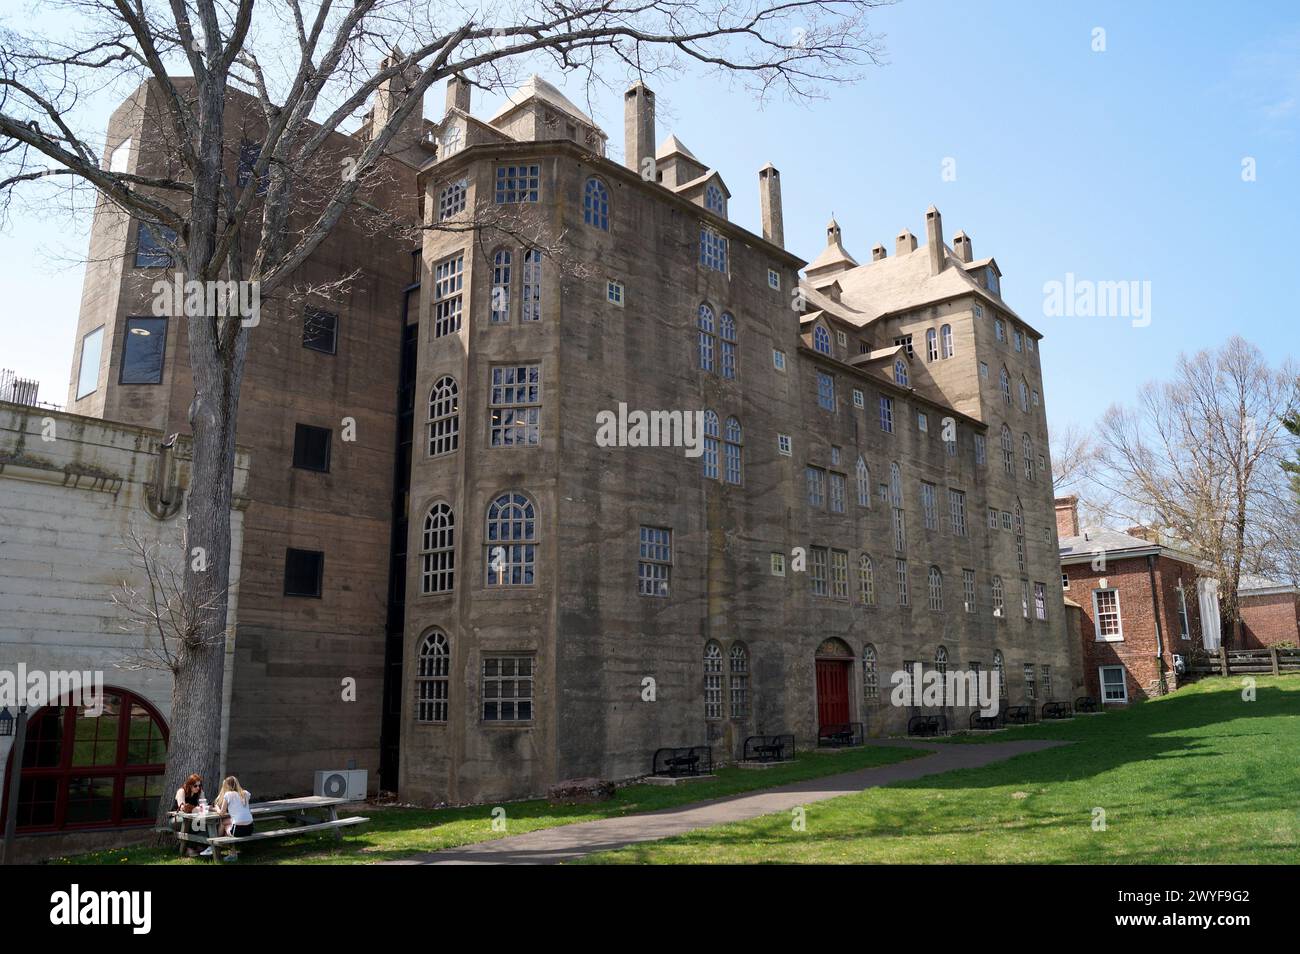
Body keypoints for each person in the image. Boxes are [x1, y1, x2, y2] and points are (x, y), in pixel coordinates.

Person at [213, 776, 254, 861]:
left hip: (238, 830)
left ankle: (219, 847)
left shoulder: (228, 795)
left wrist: (216, 807)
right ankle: (223, 849)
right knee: (225, 822)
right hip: (250, 828)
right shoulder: (246, 793)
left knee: (224, 825)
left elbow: (221, 813)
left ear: (227, 786)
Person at [173, 774, 205, 857]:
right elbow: (182, 807)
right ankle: (188, 848)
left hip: (191, 818)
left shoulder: (199, 792)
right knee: (193, 824)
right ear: (190, 785)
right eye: (195, 786)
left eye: (199, 785)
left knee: (202, 824)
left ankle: (195, 846)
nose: (198, 788)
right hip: (176, 818)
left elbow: (203, 805)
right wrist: (195, 808)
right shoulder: (181, 791)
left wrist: (202, 797)